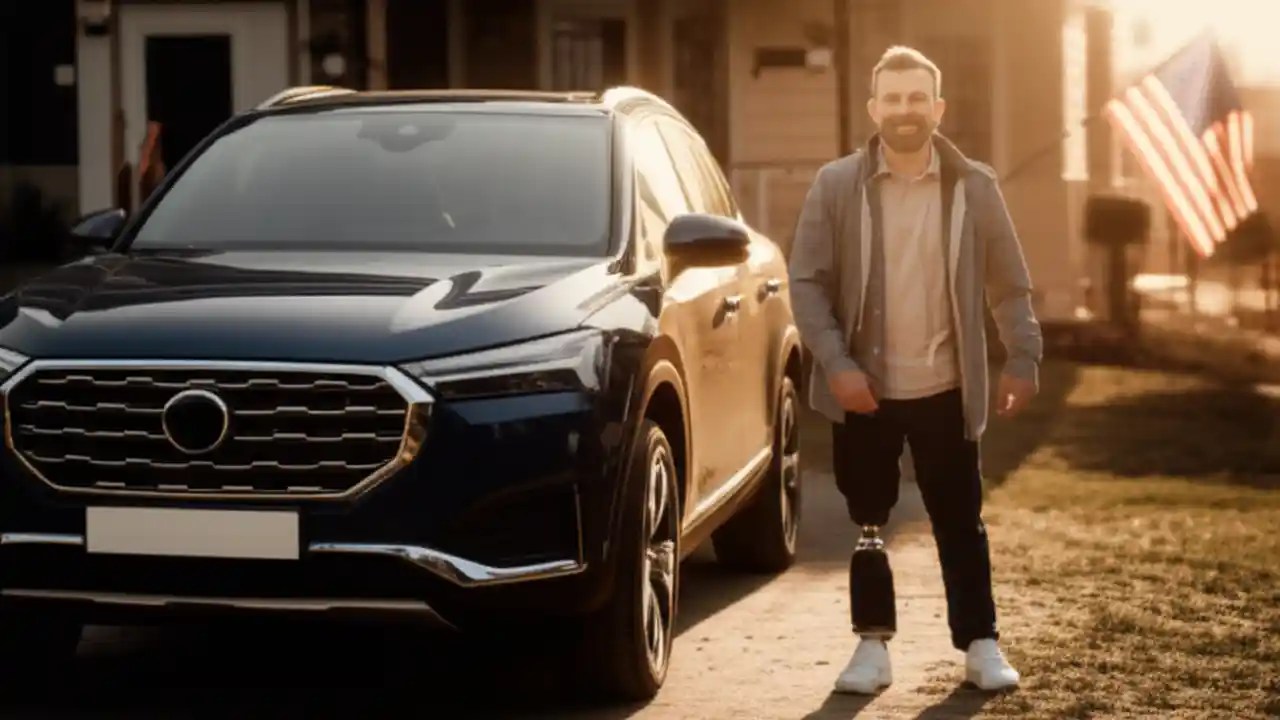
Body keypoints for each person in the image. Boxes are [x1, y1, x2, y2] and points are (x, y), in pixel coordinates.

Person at [788, 45, 1042, 694]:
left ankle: (981, 643)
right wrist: (838, 367)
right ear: (875, 109)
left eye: (916, 98)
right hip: (863, 389)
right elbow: (808, 284)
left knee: (960, 518)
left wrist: (1023, 355)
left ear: (938, 107)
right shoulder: (836, 184)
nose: (904, 111)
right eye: (892, 99)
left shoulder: (974, 187)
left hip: (946, 389)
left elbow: (1009, 285)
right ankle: (872, 647)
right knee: (869, 519)